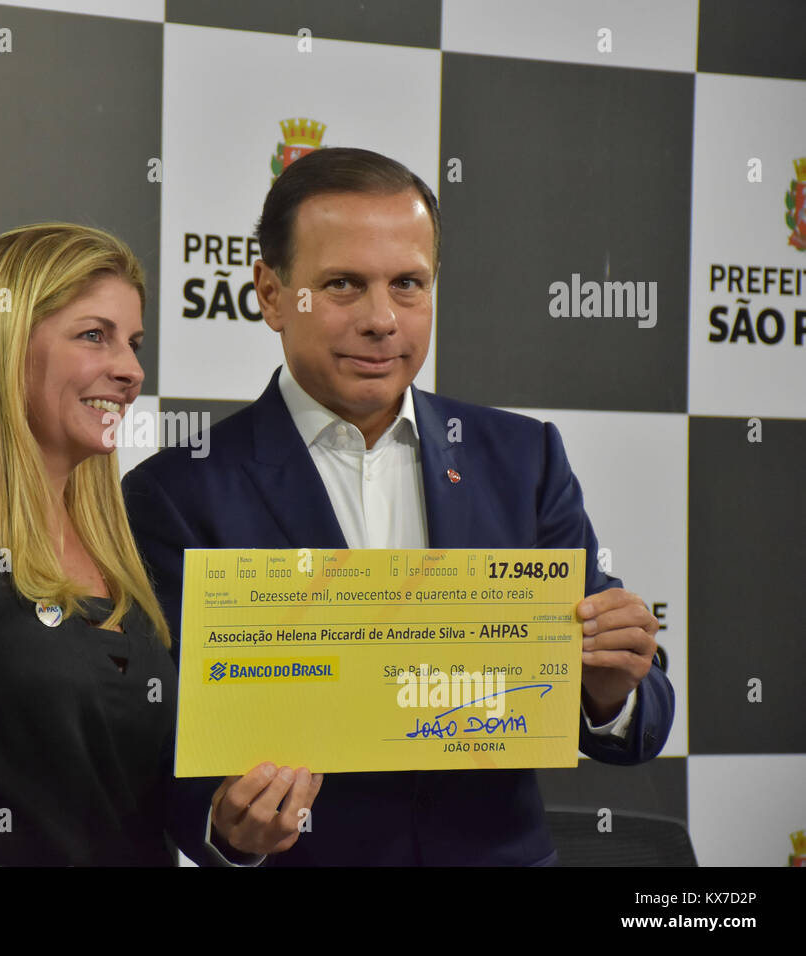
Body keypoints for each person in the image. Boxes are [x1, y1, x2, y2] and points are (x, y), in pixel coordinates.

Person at [122, 147, 675, 866]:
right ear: (271, 293)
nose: (382, 319)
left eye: (408, 284)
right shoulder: (176, 491)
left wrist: (608, 690)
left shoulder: (524, 459)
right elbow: (152, 744)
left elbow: (636, 715)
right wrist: (228, 827)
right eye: (345, 285)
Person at [0, 222, 321, 865]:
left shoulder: (129, 544)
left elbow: (145, 789)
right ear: (5, 345)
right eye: (94, 336)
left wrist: (230, 830)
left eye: (133, 343)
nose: (131, 371)